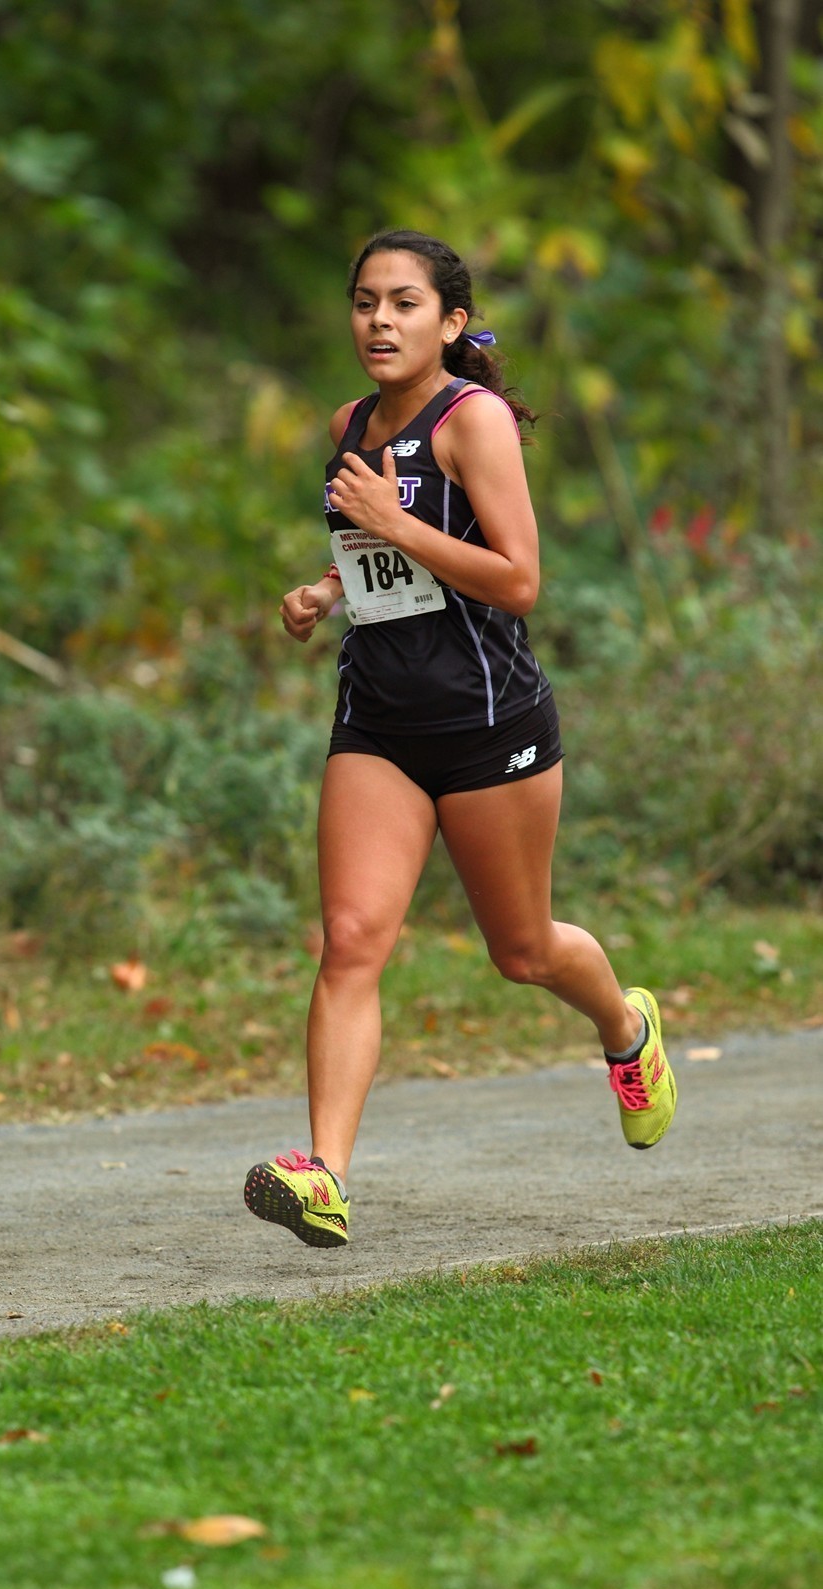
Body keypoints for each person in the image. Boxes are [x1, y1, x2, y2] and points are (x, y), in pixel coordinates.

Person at [243, 228, 676, 1248]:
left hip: (488, 727)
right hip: (378, 723)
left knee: (521, 952)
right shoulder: (351, 422)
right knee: (350, 941)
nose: (378, 321)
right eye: (363, 303)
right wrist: (327, 586)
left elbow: (517, 581)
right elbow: (389, 581)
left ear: (447, 320)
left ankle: (625, 1028)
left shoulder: (468, 422)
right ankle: (323, 1175)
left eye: (401, 303)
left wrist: (394, 526)